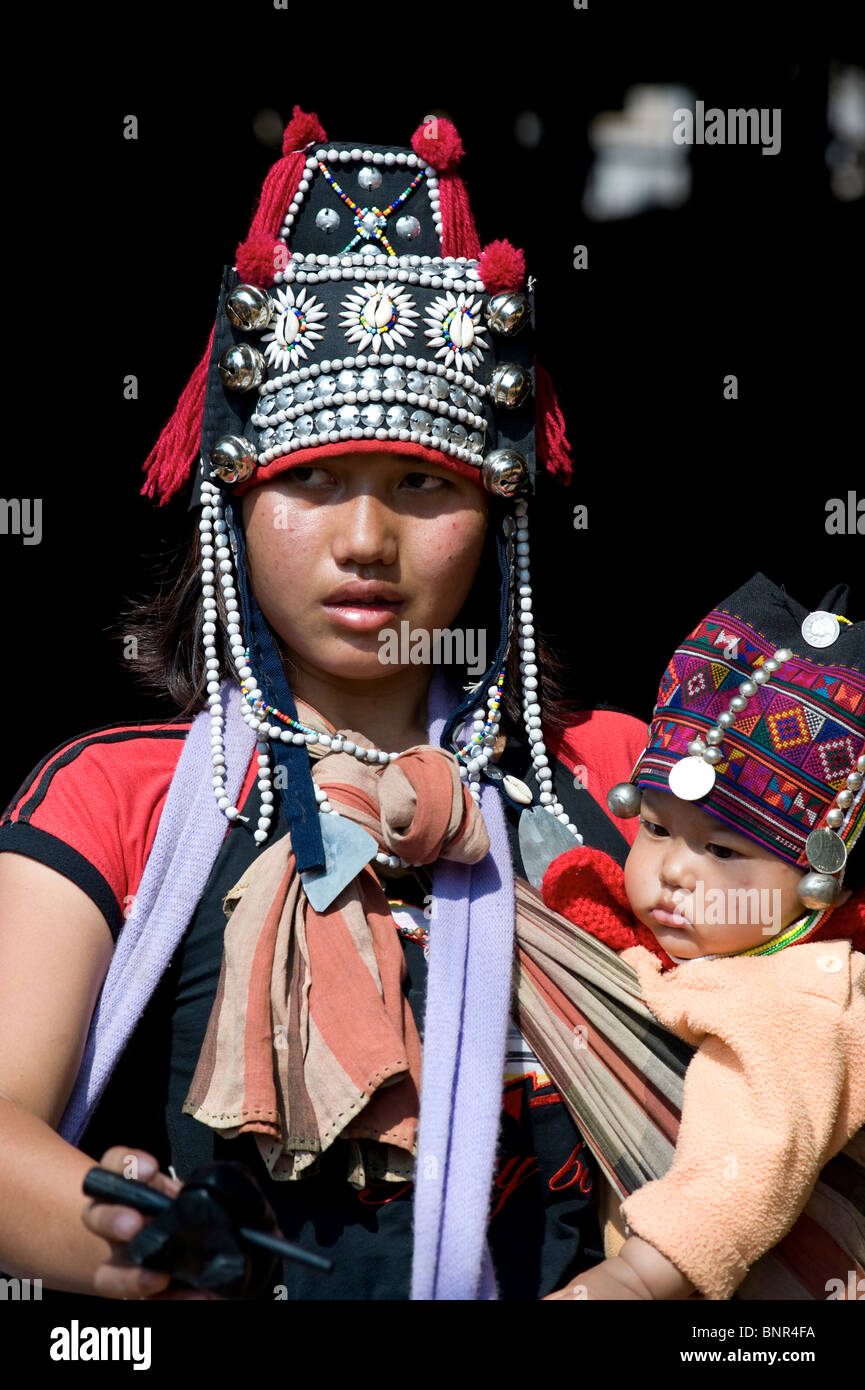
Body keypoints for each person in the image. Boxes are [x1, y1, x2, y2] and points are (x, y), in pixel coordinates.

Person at [0, 108, 648, 1301]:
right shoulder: (119, 798)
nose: (366, 541)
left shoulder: (618, 786)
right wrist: (136, 1246)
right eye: (311, 480)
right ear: (232, 503)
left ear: (498, 518)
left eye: (421, 483)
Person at [540, 572, 865, 1300]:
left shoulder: (797, 1000)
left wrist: (634, 1279)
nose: (673, 871)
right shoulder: (679, 950)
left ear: (824, 891)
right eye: (655, 829)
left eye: (722, 852)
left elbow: (752, 1155)